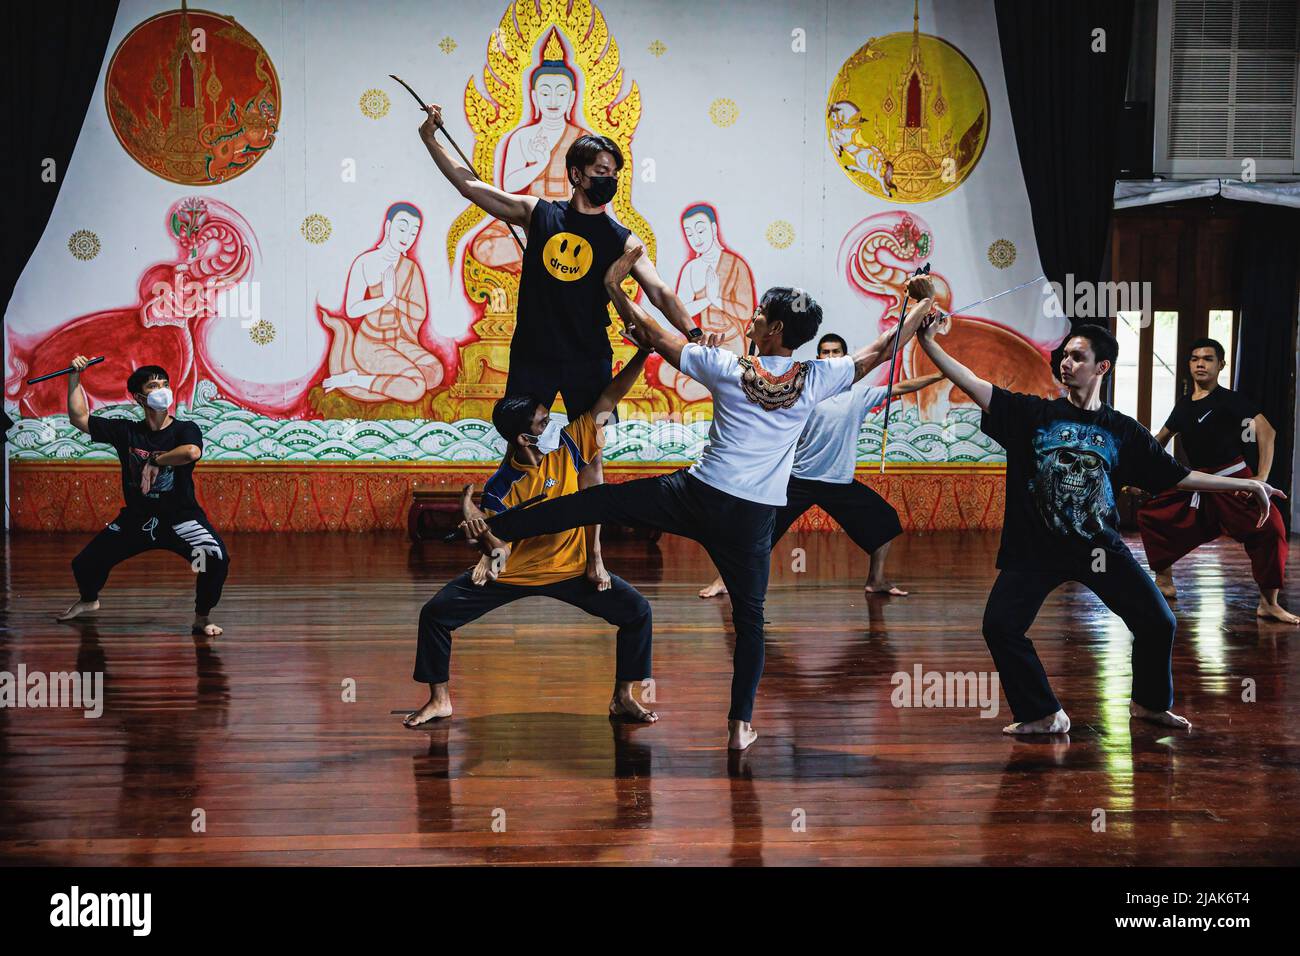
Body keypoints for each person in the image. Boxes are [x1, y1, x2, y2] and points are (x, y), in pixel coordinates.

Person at [457, 246, 937, 750]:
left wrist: (614, 289)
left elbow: (650, 334)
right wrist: (921, 302)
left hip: (696, 495)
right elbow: (883, 348)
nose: (751, 318)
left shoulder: (727, 366)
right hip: (750, 519)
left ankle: (496, 530)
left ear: (772, 329)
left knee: (595, 503)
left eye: (760, 315)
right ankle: (739, 726)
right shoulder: (819, 377)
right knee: (750, 621)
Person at [916, 320, 1286, 734]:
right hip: (1036, 548)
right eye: (1064, 356)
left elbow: (1178, 475)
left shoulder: (1121, 430)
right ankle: (1042, 712)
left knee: (1158, 622)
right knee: (1000, 626)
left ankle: (1148, 705)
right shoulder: (1031, 414)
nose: (1066, 363)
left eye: (1078, 357)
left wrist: (1247, 483)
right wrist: (928, 341)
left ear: (1101, 367)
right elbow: (969, 381)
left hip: (1098, 549)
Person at [419, 103, 697, 593]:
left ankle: (593, 557)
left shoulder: (621, 239)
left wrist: (693, 333)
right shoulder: (538, 213)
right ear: (576, 174)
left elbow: (659, 292)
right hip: (533, 355)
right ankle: (495, 546)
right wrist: (430, 138)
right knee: (518, 449)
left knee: (591, 460)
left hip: (588, 358)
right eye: (600, 172)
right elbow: (470, 186)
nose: (609, 180)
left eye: (614, 173)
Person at [404, 347, 658, 728]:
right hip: (516, 574)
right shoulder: (500, 488)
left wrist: (645, 352)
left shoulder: (570, 446)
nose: (551, 424)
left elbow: (609, 399)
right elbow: (502, 551)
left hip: (571, 570)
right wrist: (486, 544)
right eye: (543, 422)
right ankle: (439, 701)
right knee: (435, 615)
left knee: (638, 612)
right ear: (524, 438)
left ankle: (623, 698)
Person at [699, 331, 944, 599]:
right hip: (798, 480)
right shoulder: (807, 390)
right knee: (754, 529)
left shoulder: (860, 395)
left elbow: (903, 387)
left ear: (844, 358)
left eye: (835, 352)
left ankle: (877, 580)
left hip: (838, 482)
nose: (830, 356)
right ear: (819, 358)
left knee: (884, 521)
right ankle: (722, 580)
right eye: (825, 352)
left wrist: (944, 374)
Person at [57, 355, 229, 637]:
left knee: (214, 557)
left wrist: (156, 461)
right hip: (138, 520)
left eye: (164, 384)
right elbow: (79, 418)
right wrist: (75, 376)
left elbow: (191, 452)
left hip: (181, 519)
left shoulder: (185, 429)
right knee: (85, 564)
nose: (161, 389)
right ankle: (89, 600)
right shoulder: (126, 431)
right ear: (139, 397)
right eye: (153, 386)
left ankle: (201, 617)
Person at [1136, 338, 1296, 624]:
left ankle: (1268, 603)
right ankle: (1164, 581)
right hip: (1197, 483)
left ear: (1220, 365)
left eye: (1208, 358)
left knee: (1271, 529)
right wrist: (1139, 472)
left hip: (1235, 481)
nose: (1200, 363)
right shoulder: (1184, 405)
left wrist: (1260, 478)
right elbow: (1159, 440)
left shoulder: (1230, 400)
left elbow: (1267, 432)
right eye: (1195, 358)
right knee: (1153, 514)